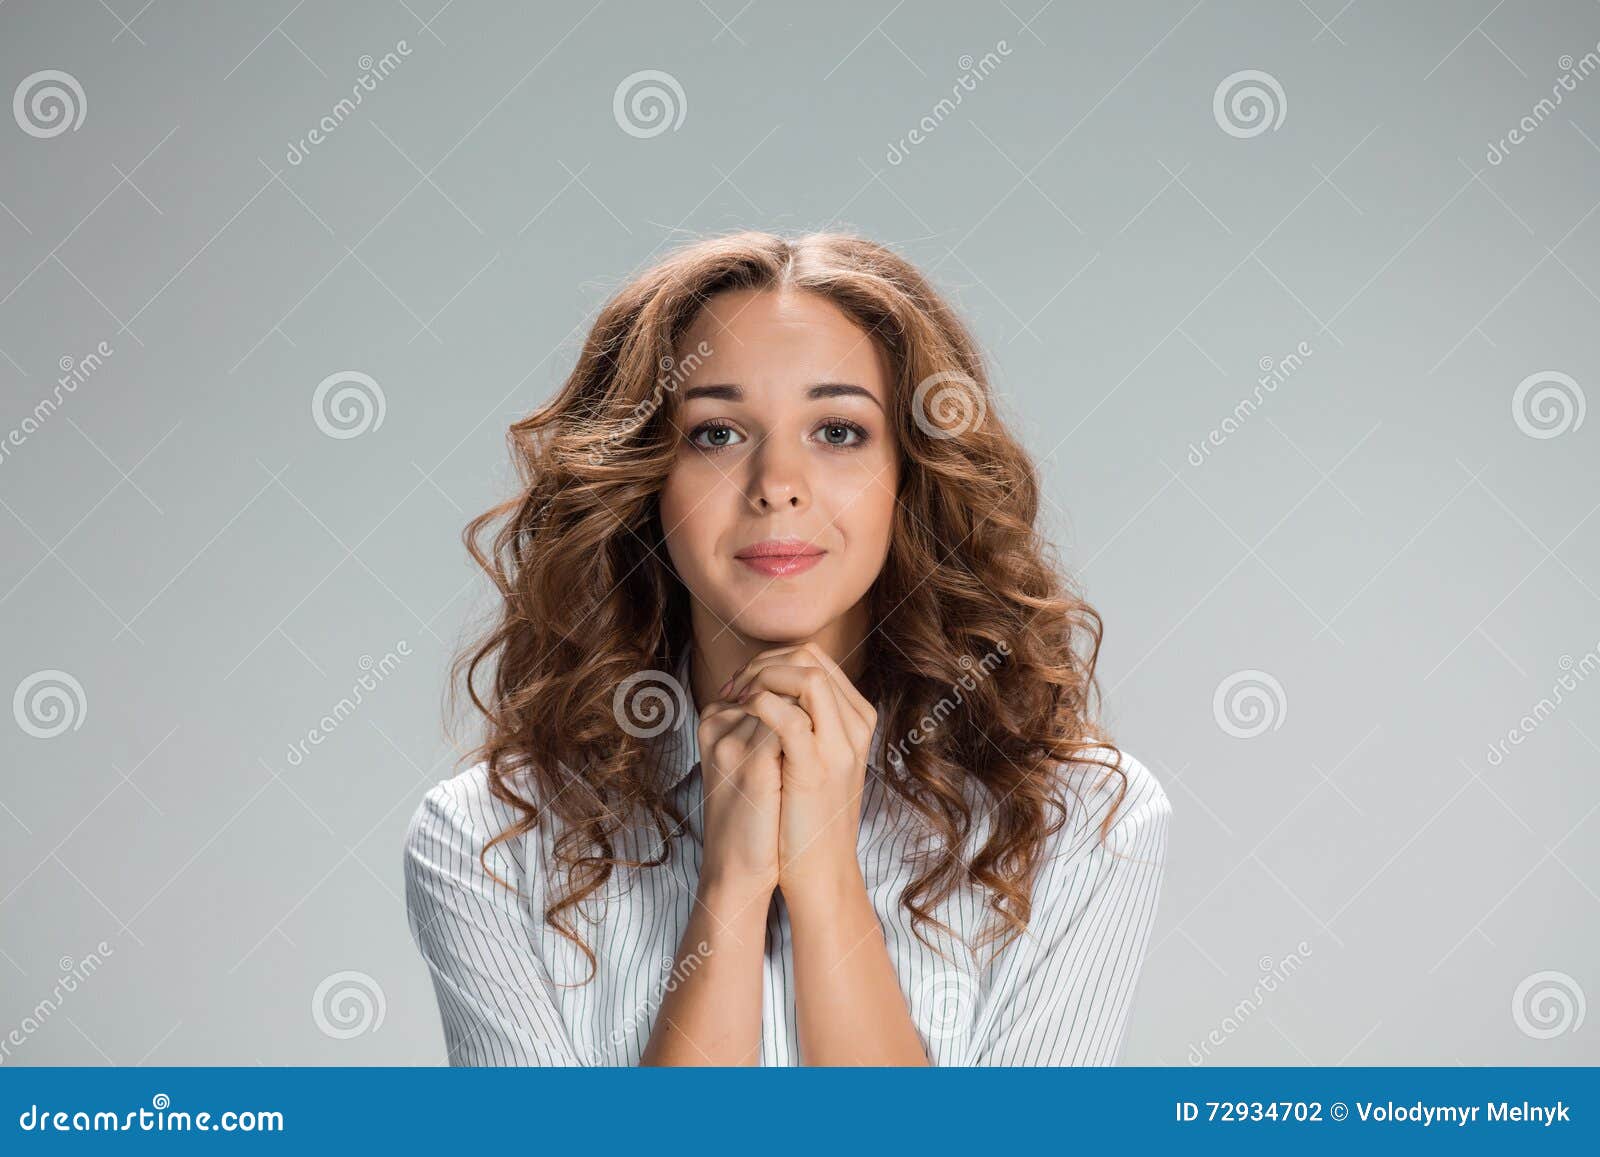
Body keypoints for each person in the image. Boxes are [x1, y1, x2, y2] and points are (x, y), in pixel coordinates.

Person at [402, 230, 1172, 1066]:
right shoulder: (486, 839)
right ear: (644, 477)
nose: (777, 481)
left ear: (910, 474)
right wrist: (728, 893)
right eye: (717, 433)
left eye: (838, 431)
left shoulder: (1083, 820)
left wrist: (825, 879)